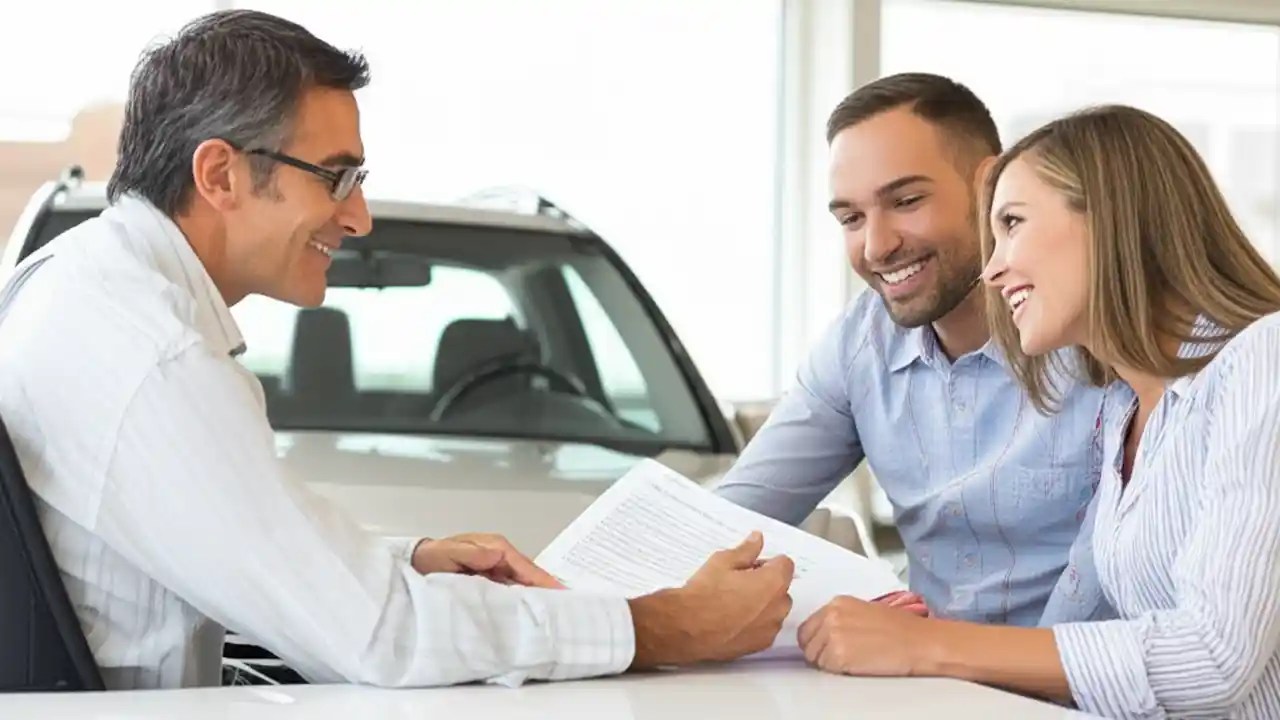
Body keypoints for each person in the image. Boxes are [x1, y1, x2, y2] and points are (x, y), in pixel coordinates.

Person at [0, 10, 794, 691]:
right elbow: (379, 635)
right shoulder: (154, 354)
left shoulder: (81, 286)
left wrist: (409, 560)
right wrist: (664, 625)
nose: (359, 217)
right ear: (220, 174)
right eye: (336, 178)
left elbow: (227, 542)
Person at [794, 104, 1280, 718]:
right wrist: (911, 636)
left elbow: (1212, 658)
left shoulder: (1266, 358)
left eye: (1013, 224)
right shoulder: (1129, 408)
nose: (993, 271)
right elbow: (1103, 632)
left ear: (1110, 219)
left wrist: (932, 646)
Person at [714, 73, 1107, 626]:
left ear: (992, 185)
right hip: (925, 684)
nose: (876, 246)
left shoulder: (1098, 339)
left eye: (905, 200)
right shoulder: (859, 345)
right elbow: (729, 522)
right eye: (851, 218)